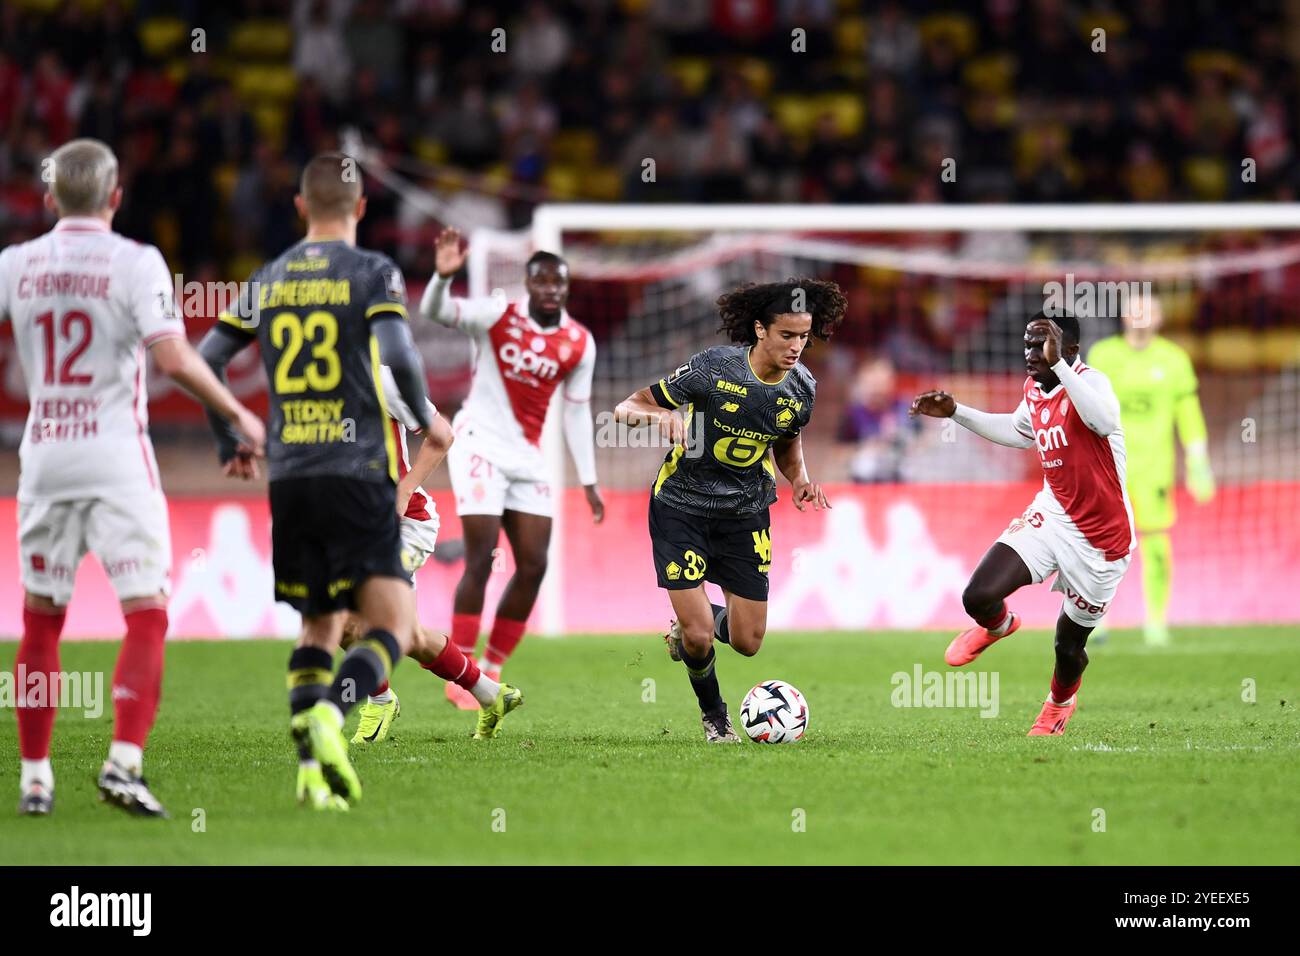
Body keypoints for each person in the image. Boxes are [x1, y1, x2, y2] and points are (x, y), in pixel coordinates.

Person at [0, 138, 265, 816]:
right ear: (116, 197)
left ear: (50, 197)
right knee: (145, 612)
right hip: (116, 456)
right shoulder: (136, 261)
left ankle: (35, 778)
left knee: (40, 621)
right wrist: (235, 409)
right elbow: (173, 357)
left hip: (46, 456)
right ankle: (123, 763)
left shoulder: (16, 263)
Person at [198, 152, 437, 809]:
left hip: (290, 473)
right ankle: (332, 714)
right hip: (356, 470)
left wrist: (229, 438)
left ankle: (309, 772)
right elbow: (396, 354)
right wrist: (423, 417)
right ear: (361, 209)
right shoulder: (372, 270)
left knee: (317, 627)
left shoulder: (269, 276)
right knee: (391, 625)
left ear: (300, 207)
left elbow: (208, 357)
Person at [614, 278, 845, 742]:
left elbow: (786, 437)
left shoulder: (802, 387)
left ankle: (690, 620)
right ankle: (715, 718)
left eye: (805, 336)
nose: (797, 346)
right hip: (682, 505)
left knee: (748, 642)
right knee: (700, 637)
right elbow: (626, 408)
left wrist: (798, 479)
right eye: (787, 335)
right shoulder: (714, 369)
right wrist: (664, 417)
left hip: (746, 512)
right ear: (760, 330)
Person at [910, 313, 1135, 735]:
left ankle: (1059, 703)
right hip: (1052, 515)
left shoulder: (1092, 383)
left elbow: (1103, 422)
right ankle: (998, 625)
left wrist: (1063, 369)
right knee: (977, 595)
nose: (1030, 355)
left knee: (1068, 647)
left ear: (1068, 350)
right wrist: (956, 412)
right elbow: (1018, 430)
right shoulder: (1034, 388)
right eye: (1028, 345)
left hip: (1103, 541)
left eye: (1041, 346)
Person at [418, 227, 603, 709]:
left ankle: (493, 667)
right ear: (528, 283)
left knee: (535, 564)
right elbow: (437, 311)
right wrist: (442, 279)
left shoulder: (579, 342)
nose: (550, 290)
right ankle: (461, 673)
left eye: (558, 283)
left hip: (527, 456)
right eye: (541, 282)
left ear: (566, 287)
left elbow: (578, 411)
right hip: (478, 443)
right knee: (481, 555)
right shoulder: (499, 313)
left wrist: (588, 478)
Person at [344, 364, 523, 746]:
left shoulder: (382, 377)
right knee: (387, 632)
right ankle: (491, 695)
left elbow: (441, 435)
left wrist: (403, 490)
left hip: (404, 524)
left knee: (364, 621)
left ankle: (379, 701)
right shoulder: (307, 386)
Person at [1086, 297, 1214, 645]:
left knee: (1156, 542)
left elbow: (1188, 411)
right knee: (1101, 544)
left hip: (1154, 468)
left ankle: (1156, 621)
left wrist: (1198, 459)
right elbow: (1084, 405)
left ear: (1160, 318)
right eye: (1135, 307)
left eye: (1150, 309)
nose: (1142, 315)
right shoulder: (1103, 355)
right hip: (1108, 466)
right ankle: (1097, 618)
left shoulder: (1173, 360)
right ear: (1124, 314)